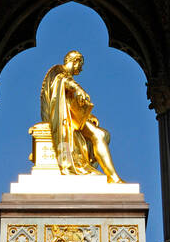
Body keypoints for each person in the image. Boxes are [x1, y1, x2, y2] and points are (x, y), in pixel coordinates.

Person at [40, 50, 121, 182]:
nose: (81, 69)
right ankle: (113, 177)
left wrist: (88, 116)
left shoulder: (63, 75)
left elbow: (69, 104)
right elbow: (62, 82)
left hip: (71, 119)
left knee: (105, 135)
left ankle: (92, 167)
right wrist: (78, 88)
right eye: (80, 65)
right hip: (61, 121)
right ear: (75, 61)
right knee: (99, 135)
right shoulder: (57, 70)